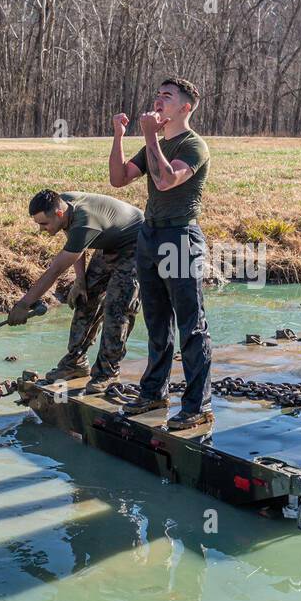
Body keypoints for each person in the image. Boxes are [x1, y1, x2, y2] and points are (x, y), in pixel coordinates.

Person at [108, 77, 214, 431]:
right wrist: (121, 137)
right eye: (157, 94)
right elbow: (119, 179)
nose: (158, 101)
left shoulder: (193, 146)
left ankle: (197, 405)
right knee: (156, 321)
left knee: (191, 325)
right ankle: (153, 392)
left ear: (184, 108)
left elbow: (167, 180)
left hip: (180, 237)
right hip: (150, 236)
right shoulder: (154, 142)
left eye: (166, 97)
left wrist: (151, 136)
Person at [8, 189, 141, 395]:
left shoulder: (84, 221)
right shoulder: (64, 205)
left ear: (59, 214)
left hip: (137, 243)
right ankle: (76, 362)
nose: (42, 230)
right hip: (111, 242)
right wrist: (80, 281)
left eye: (44, 224)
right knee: (85, 297)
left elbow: (55, 270)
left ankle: (108, 371)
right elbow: (75, 240)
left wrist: (24, 304)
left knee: (117, 308)